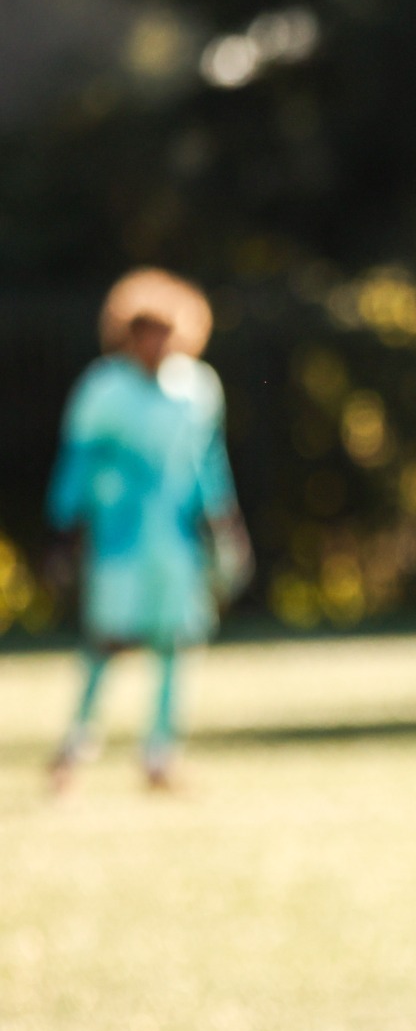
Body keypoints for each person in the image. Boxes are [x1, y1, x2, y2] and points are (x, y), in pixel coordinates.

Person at [45, 268, 250, 792]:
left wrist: (227, 527)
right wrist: (63, 532)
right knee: (107, 638)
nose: (154, 343)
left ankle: (160, 753)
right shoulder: (103, 389)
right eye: (144, 331)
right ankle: (76, 744)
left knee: (176, 641)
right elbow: (77, 465)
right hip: (118, 536)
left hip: (175, 539)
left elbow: (209, 467)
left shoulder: (197, 389)